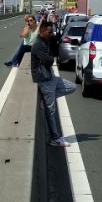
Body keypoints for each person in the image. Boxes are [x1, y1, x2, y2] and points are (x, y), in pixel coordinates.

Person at [31, 20, 76, 148]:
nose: (51, 34)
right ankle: (55, 139)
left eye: (52, 32)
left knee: (72, 87)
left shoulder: (46, 41)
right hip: (44, 80)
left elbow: (53, 55)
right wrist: (52, 57)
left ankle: (45, 100)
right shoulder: (38, 45)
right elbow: (48, 61)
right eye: (49, 32)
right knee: (51, 110)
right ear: (42, 31)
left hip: (51, 77)